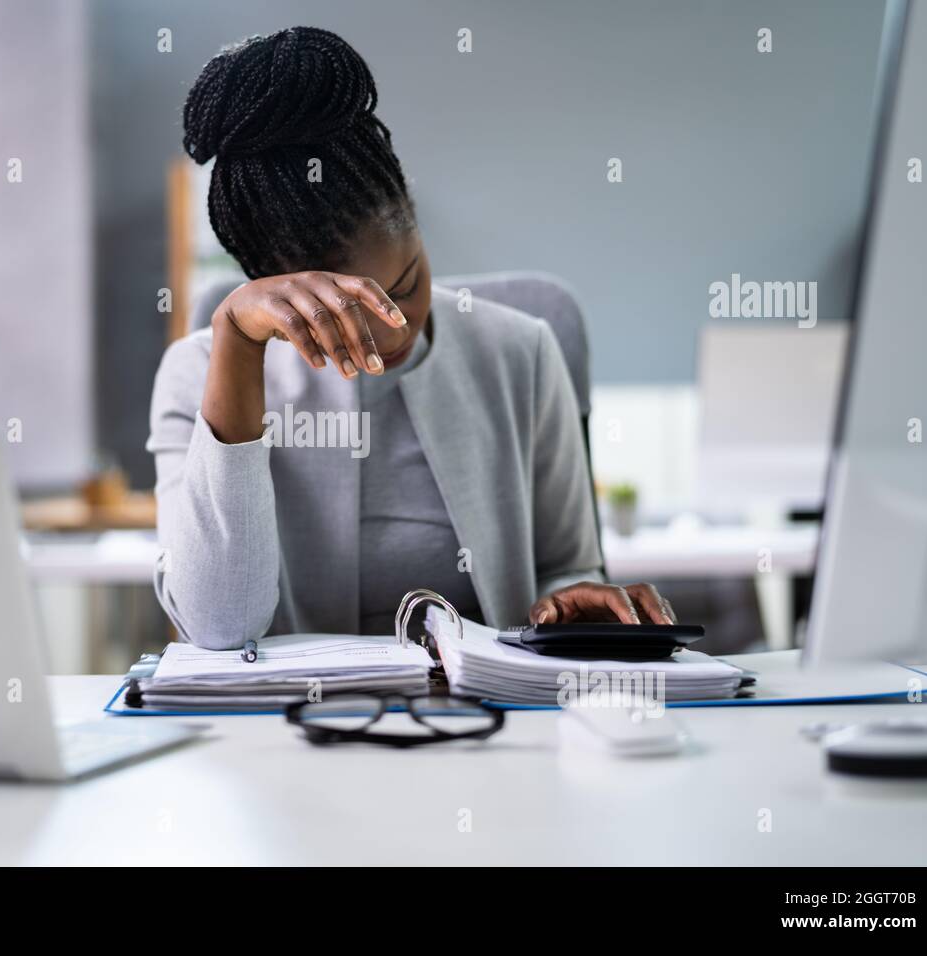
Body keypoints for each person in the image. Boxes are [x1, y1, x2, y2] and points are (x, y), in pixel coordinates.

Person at [148, 26, 675, 648]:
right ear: (273, 289)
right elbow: (218, 624)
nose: (392, 326)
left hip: (487, 724)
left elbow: (568, 564)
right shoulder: (198, 373)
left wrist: (573, 602)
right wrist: (237, 343)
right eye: (345, 311)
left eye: (405, 284)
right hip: (287, 734)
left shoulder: (522, 353)